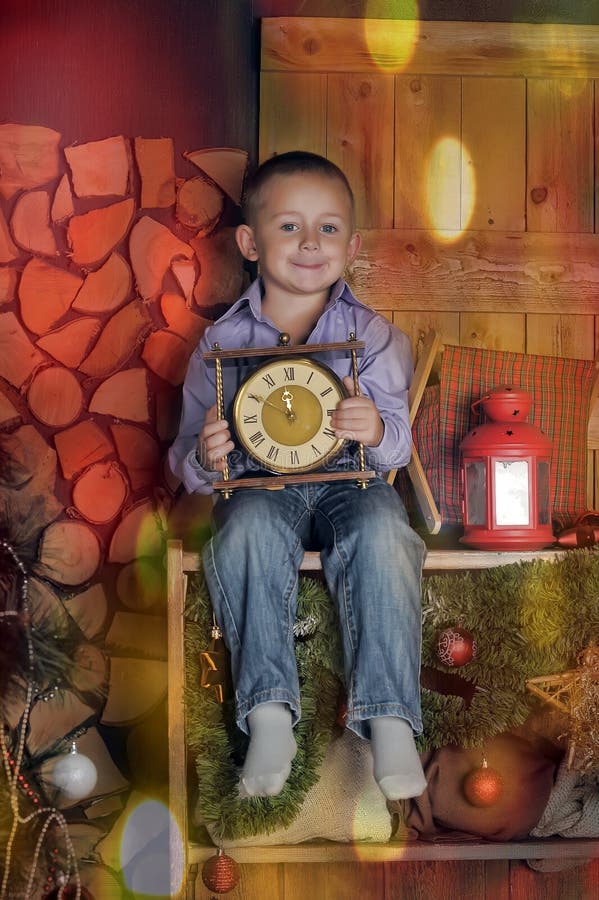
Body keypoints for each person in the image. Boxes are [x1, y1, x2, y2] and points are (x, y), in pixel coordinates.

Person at [168, 151, 427, 801]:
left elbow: (397, 442)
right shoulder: (219, 345)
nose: (310, 244)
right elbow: (185, 458)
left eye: (328, 228)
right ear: (250, 242)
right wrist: (207, 453)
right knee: (246, 533)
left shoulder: (374, 336)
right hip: (261, 487)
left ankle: (390, 717)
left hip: (353, 484)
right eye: (288, 227)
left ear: (352, 244)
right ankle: (268, 714)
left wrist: (375, 429)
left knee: (384, 535)